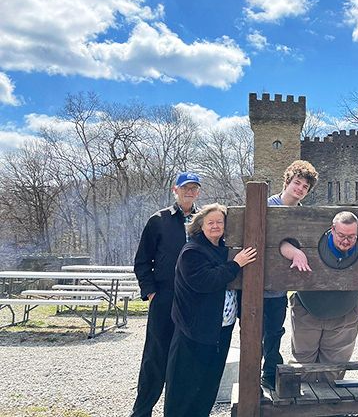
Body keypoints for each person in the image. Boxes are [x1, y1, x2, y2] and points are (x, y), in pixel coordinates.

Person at [164, 203, 257, 417]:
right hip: (194, 332)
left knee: (207, 387)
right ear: (201, 226)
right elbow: (205, 281)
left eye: (220, 222)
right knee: (184, 388)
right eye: (210, 222)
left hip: (220, 331)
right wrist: (236, 264)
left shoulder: (225, 249)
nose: (215, 226)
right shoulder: (192, 252)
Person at [281, 211, 358, 383]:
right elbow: (281, 242)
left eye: (352, 236)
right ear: (332, 230)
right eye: (341, 235)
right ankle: (305, 408)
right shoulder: (316, 242)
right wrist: (296, 253)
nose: (346, 241)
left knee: (334, 370)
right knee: (303, 366)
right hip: (307, 312)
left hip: (344, 316)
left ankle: (330, 408)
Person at [130, 172, 201, 417]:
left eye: (194, 188)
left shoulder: (204, 221)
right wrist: (151, 293)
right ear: (175, 190)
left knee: (183, 359)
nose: (189, 192)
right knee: (155, 356)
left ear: (198, 192)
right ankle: (141, 411)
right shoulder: (158, 220)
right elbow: (142, 261)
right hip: (165, 296)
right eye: (185, 188)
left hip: (193, 300)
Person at [260, 160, 318, 390]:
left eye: (305, 187)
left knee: (274, 334)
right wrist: (291, 250)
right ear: (287, 182)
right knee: (253, 335)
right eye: (297, 183)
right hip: (257, 283)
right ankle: (250, 380)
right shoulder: (266, 206)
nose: (300, 188)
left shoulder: (304, 217)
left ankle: (269, 375)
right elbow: (271, 240)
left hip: (279, 288)